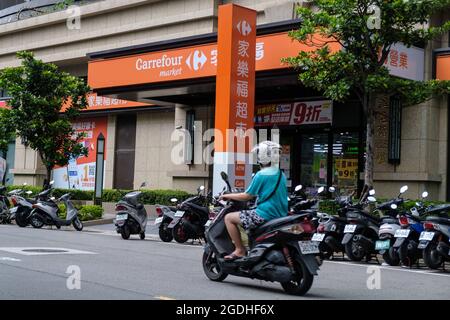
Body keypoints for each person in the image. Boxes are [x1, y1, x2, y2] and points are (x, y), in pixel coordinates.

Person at [219, 141, 288, 260]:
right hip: (281, 215)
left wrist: (228, 195)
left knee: (229, 218)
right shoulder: (281, 175)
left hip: (265, 214)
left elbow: (247, 196)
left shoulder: (261, 175)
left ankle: (240, 250)